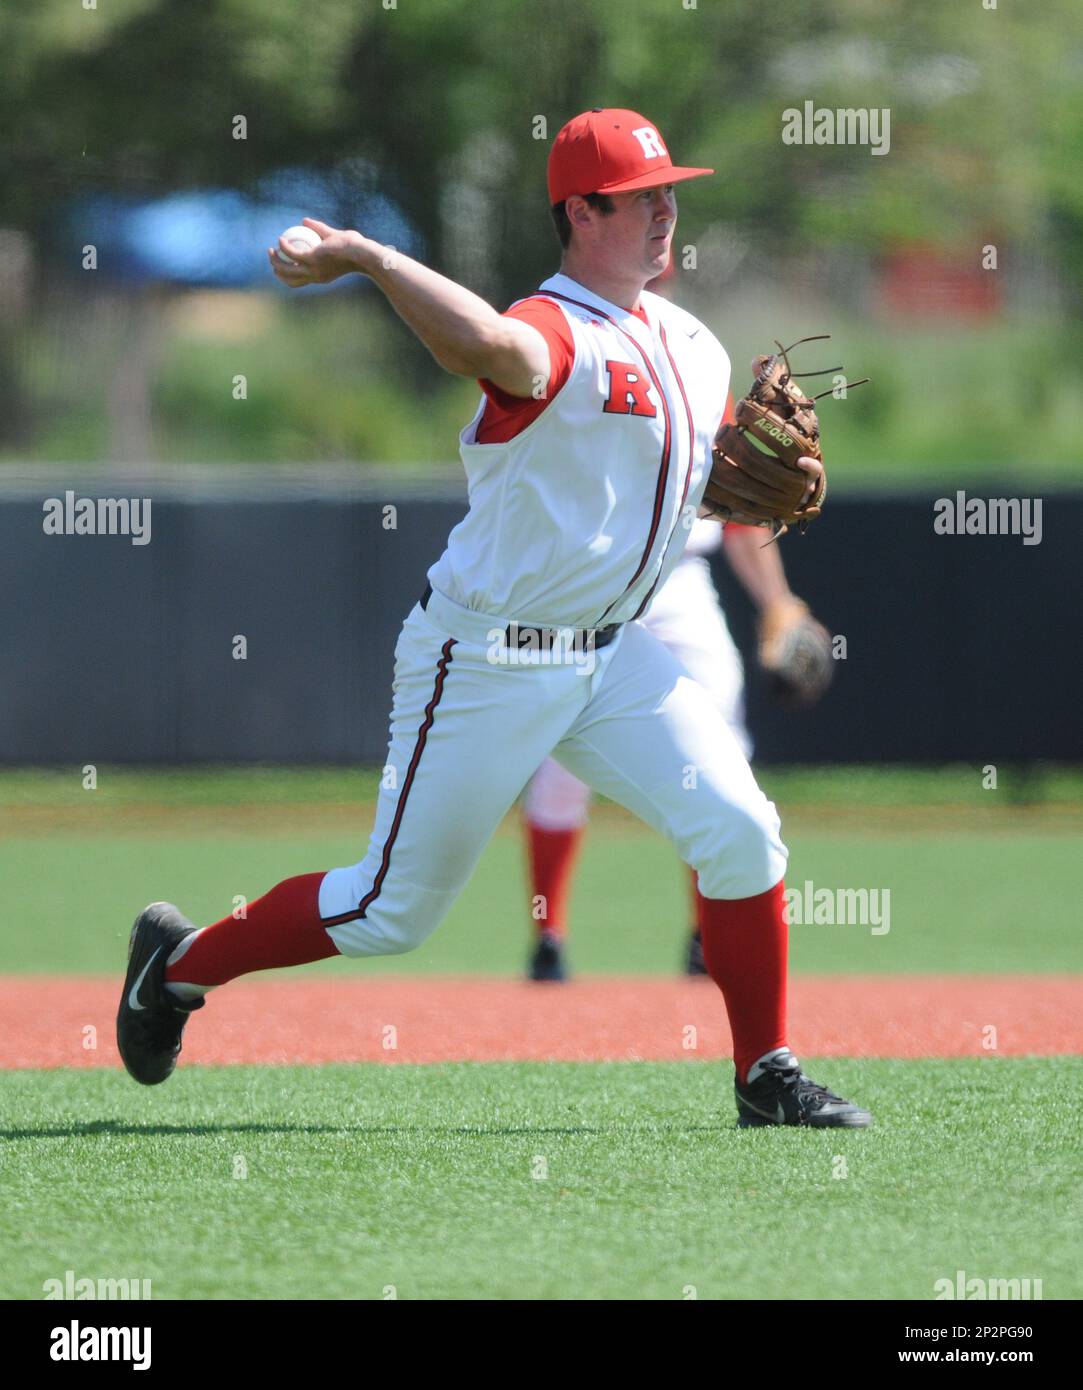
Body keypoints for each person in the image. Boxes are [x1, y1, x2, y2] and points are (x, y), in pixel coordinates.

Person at [117, 108, 871, 1127]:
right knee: (388, 911)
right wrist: (369, 256)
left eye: (669, 192)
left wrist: (750, 486)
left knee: (740, 829)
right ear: (579, 211)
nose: (665, 211)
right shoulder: (553, 329)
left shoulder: (692, 342)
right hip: (483, 660)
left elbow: (685, 479)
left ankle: (764, 1075)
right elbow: (487, 344)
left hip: (615, 657)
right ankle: (177, 967)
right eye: (642, 196)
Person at [523, 516, 823, 981]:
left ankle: (707, 934)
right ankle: (548, 936)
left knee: (719, 741)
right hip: (587, 579)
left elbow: (740, 515)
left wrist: (777, 599)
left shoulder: (711, 438)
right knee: (562, 755)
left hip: (678, 580)